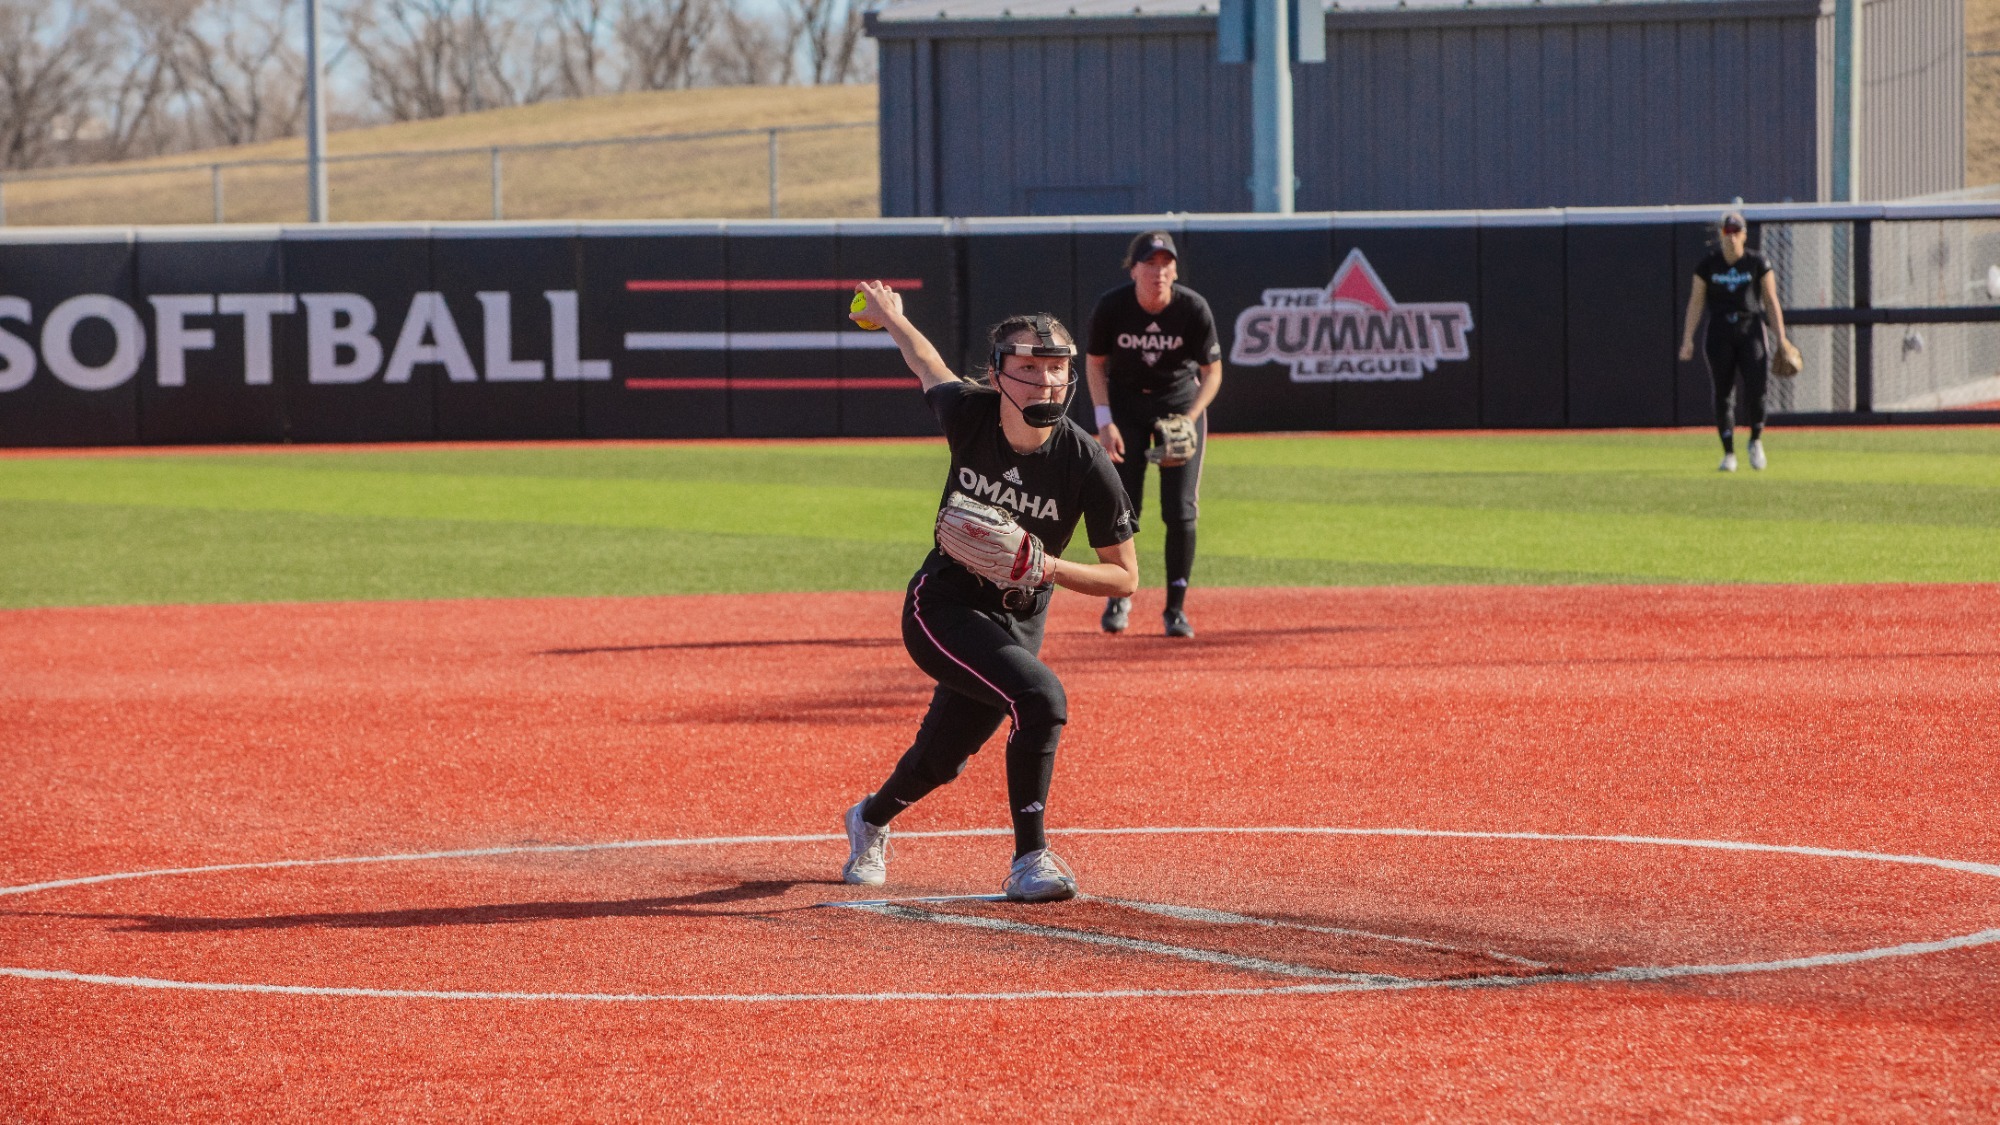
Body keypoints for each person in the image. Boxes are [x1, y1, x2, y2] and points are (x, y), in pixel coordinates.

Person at [839, 280, 1138, 903]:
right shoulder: (968, 413)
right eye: (1028, 366)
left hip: (1017, 619)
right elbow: (926, 362)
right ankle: (1031, 860)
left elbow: (1125, 576)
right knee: (1041, 696)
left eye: (1056, 367)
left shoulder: (1086, 463)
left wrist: (1046, 565)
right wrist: (893, 316)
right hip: (940, 606)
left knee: (940, 760)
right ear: (999, 374)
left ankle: (870, 817)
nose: (1046, 380)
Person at [1086, 231, 1223, 637]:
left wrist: (1191, 417)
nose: (1159, 272)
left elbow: (1212, 371)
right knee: (1123, 508)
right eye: (1150, 263)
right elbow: (1095, 365)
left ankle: (1175, 609)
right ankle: (1118, 595)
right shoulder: (1113, 306)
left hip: (1179, 406)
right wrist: (1104, 420)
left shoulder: (1192, 308)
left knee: (1179, 510)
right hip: (1125, 406)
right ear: (1134, 270)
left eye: (1167, 264)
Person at [1679, 211, 1792, 472]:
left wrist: (1782, 339)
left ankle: (1755, 440)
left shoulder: (1757, 262)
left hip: (1750, 327)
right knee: (1723, 391)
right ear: (1721, 235)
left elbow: (1771, 301)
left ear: (1744, 234)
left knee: (1756, 387)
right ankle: (1728, 452)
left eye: (1735, 231)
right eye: (1726, 232)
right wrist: (1688, 339)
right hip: (1720, 330)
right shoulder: (1708, 265)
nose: (1730, 237)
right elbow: (1695, 302)